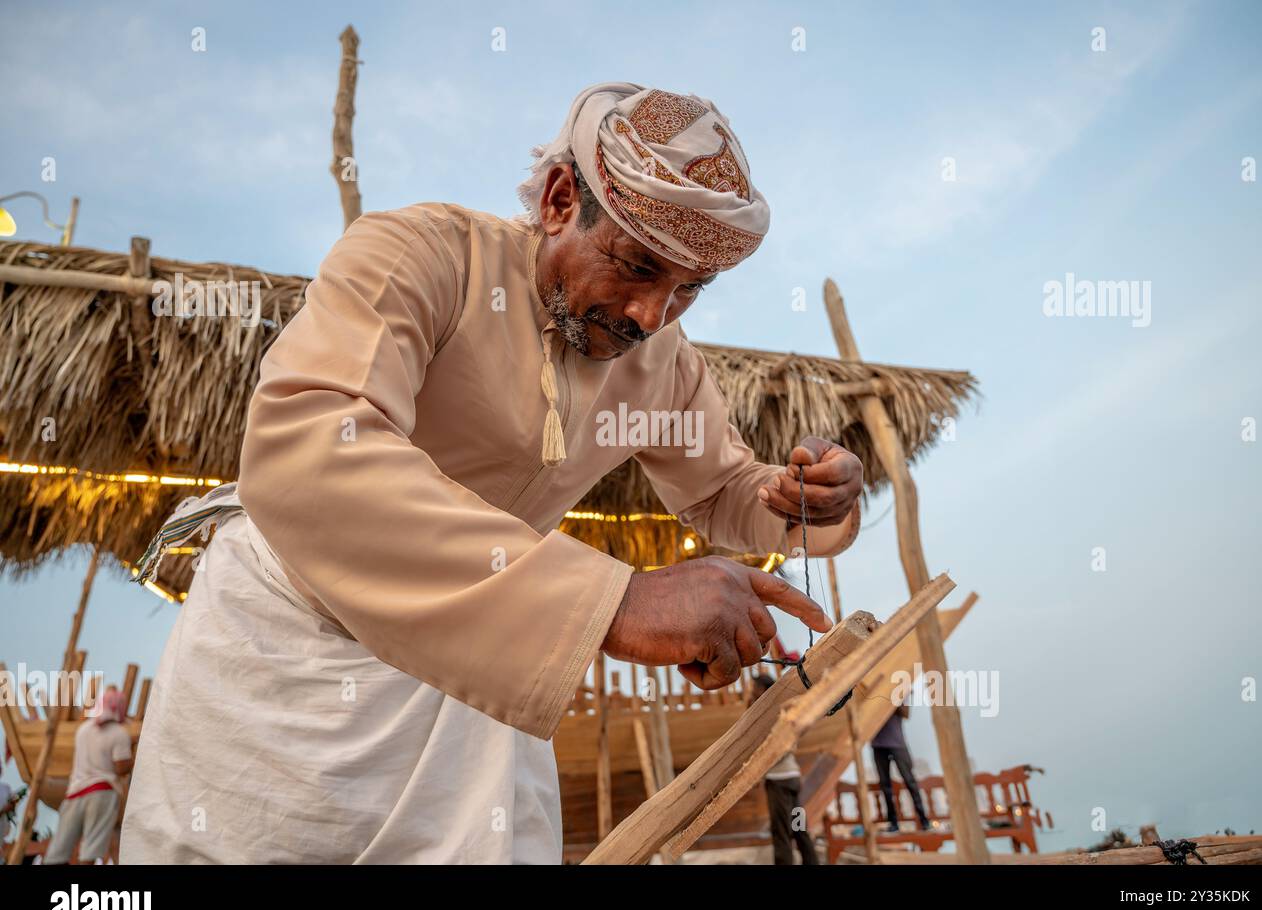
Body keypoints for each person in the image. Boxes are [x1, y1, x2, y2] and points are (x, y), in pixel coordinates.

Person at [123, 82, 865, 864]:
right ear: (556, 198)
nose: (652, 315)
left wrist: (804, 500)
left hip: (472, 667)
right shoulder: (421, 255)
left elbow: (724, 492)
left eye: (688, 290)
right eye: (639, 265)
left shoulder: (662, 367)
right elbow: (313, 454)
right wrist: (615, 603)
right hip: (282, 647)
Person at [44, 687, 132, 865]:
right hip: (102, 793)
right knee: (90, 849)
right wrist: (134, 758)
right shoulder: (119, 733)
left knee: (58, 850)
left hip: (74, 793)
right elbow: (121, 768)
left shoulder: (83, 730)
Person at [751, 673, 819, 864]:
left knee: (780, 830)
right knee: (798, 828)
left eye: (755, 688)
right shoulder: (780, 711)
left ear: (763, 690)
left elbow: (778, 748)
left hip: (779, 780)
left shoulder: (769, 715)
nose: (752, 691)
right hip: (792, 778)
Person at [871, 703, 932, 832]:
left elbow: (906, 713)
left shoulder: (900, 689)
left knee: (910, 781)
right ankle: (893, 823)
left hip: (897, 743)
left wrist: (890, 698)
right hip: (877, 744)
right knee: (885, 785)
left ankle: (924, 820)